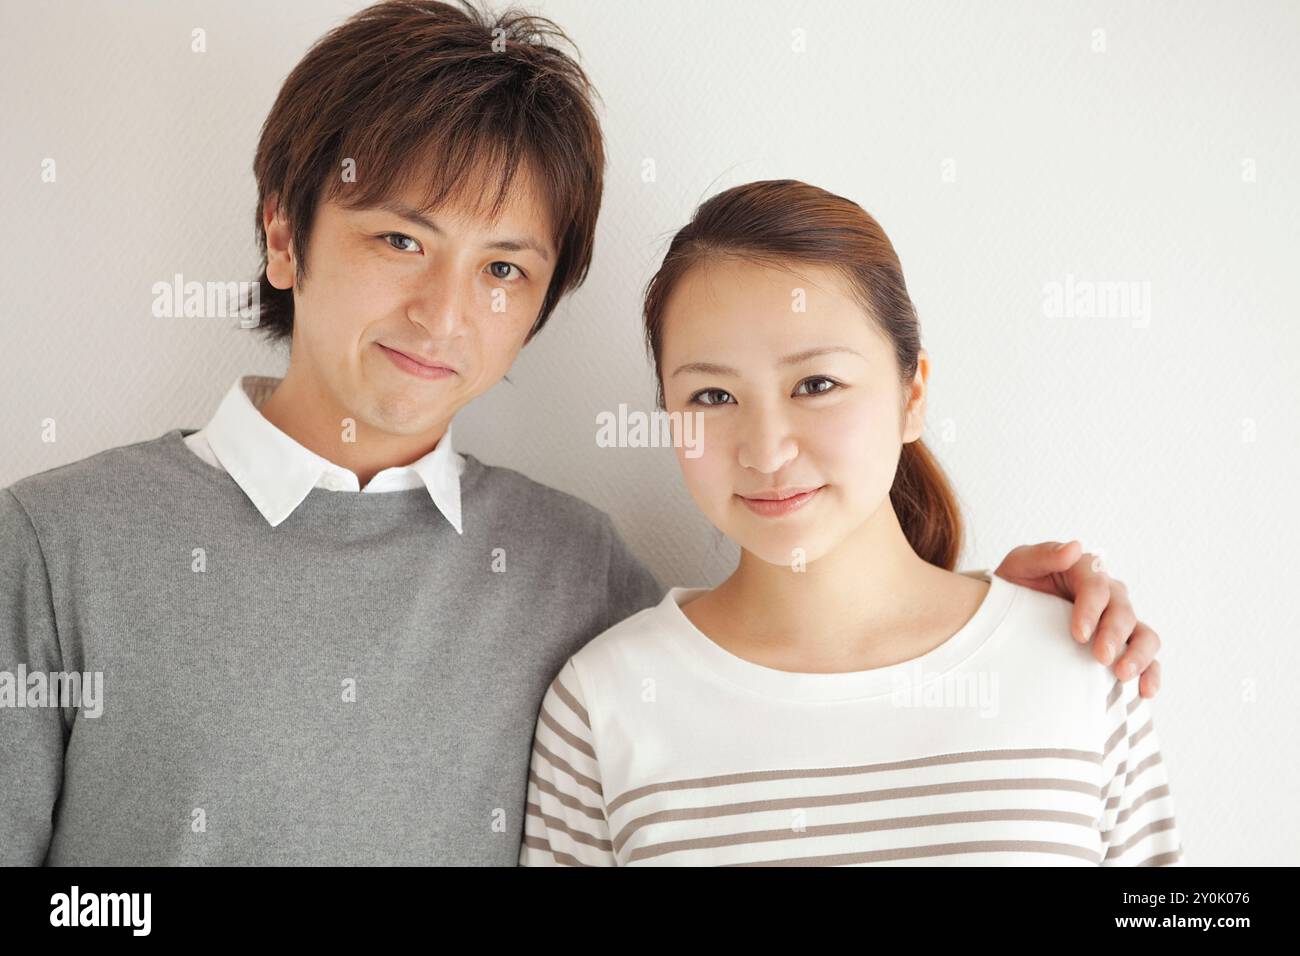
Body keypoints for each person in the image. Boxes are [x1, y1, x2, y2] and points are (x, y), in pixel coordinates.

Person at [2, 2, 1158, 866]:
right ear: (283, 236)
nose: (445, 313)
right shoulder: (54, 545)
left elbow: (786, 683)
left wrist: (993, 623)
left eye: (504, 268)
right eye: (400, 240)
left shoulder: (574, 566)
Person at [520, 180, 1182, 866]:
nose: (767, 450)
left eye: (816, 384)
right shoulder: (603, 706)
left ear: (912, 394)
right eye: (712, 395)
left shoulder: (1079, 663)